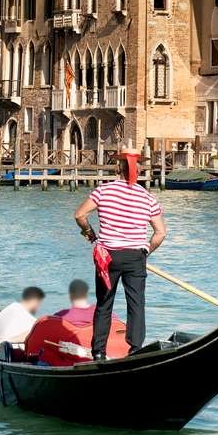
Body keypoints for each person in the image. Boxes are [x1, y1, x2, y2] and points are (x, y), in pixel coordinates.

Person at [73, 153, 166, 360]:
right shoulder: (148, 198)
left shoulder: (103, 191)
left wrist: (90, 235)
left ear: (118, 169)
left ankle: (98, 352)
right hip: (135, 257)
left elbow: (80, 215)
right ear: (138, 172)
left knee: (105, 303)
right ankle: (135, 350)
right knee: (136, 304)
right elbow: (160, 233)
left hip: (108, 256)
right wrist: (146, 251)